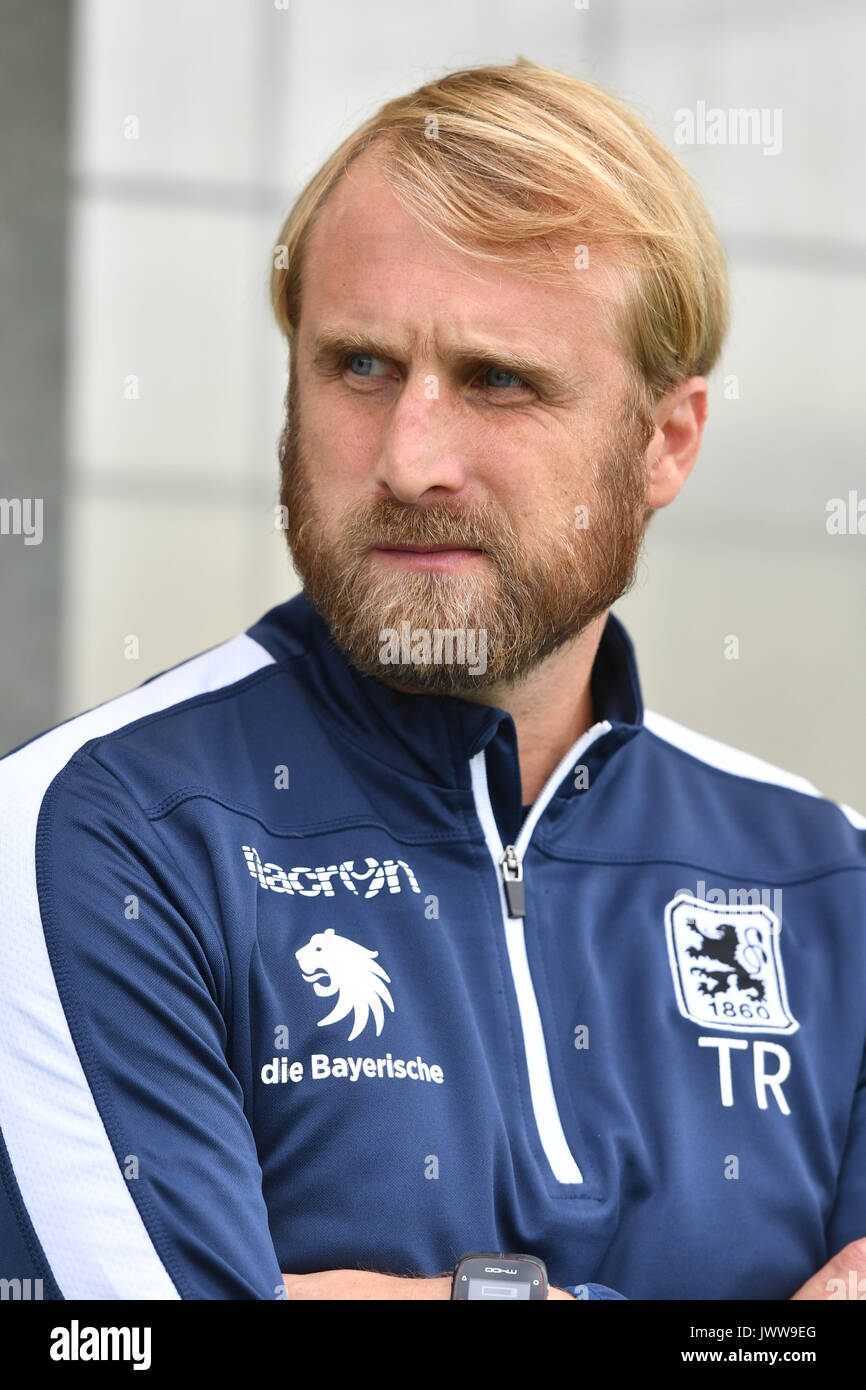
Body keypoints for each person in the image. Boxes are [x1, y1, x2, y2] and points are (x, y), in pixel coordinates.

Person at [0, 59, 864, 1302]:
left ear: (663, 441)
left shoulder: (827, 883)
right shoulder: (92, 837)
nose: (409, 459)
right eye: (356, 366)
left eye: (497, 380)